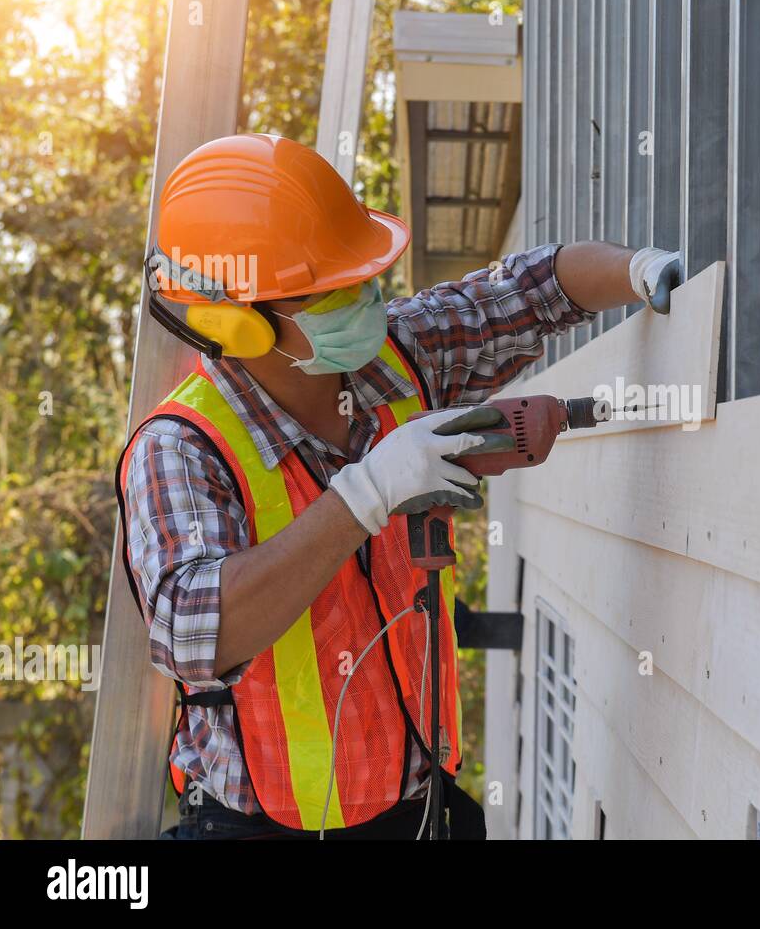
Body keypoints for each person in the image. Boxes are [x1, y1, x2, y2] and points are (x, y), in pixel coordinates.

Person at [118, 134, 680, 839]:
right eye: (333, 289)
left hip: (419, 807)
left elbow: (535, 288)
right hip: (261, 826)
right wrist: (366, 495)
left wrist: (638, 270)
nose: (366, 299)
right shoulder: (181, 447)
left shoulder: (401, 354)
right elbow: (198, 634)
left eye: (363, 275)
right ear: (236, 320)